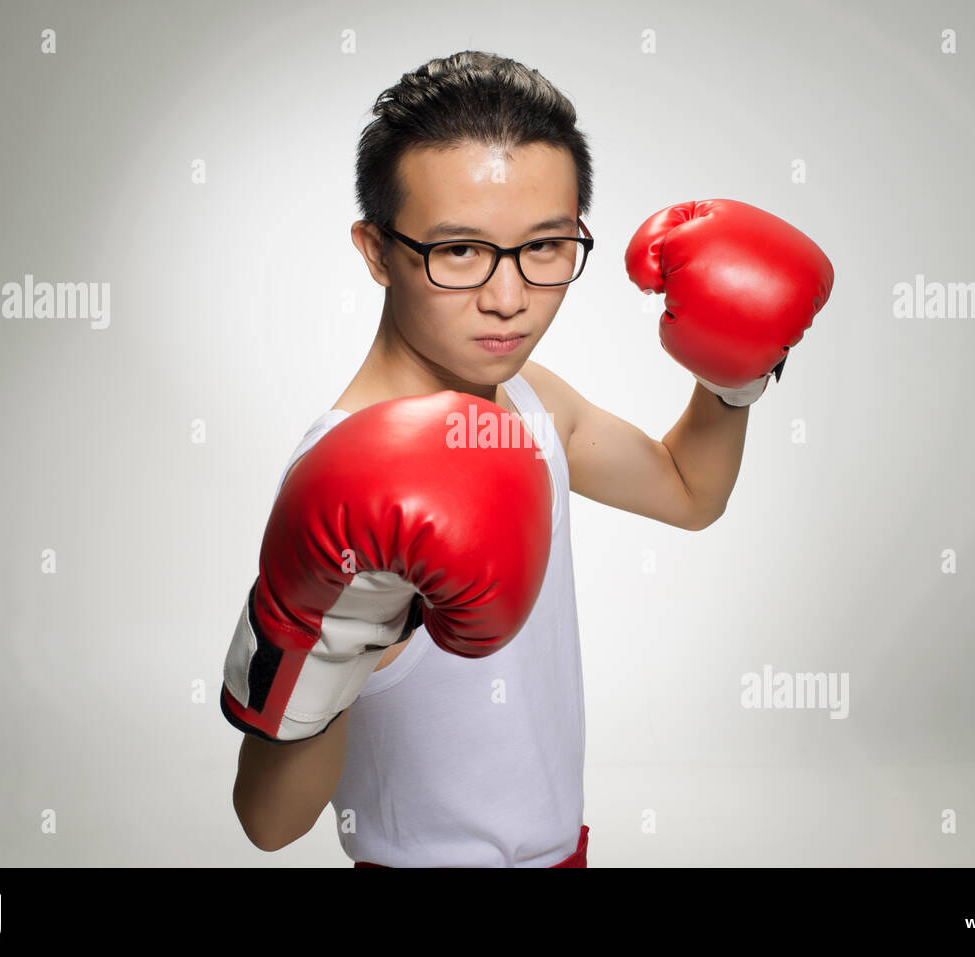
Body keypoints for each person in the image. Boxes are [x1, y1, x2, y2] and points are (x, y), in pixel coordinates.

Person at [220, 50, 833, 867]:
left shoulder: (531, 397)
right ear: (375, 251)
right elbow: (268, 822)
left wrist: (732, 379)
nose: (509, 297)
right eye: (461, 251)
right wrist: (340, 631)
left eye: (545, 246)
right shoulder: (340, 471)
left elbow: (690, 492)